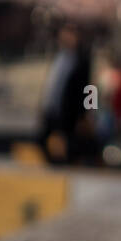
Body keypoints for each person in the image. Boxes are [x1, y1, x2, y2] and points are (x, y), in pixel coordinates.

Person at [38, 23, 91, 164]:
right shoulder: (59, 57)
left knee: (67, 147)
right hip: (53, 108)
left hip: (70, 112)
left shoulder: (82, 60)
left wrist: (88, 111)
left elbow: (90, 88)